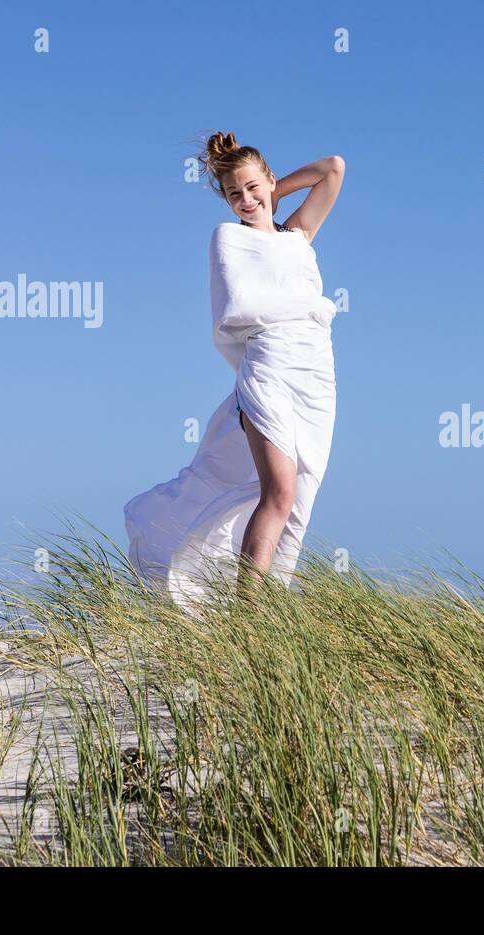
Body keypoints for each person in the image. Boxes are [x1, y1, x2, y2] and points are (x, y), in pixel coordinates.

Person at [124, 131, 345, 606]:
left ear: (269, 180)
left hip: (315, 373)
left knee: (299, 493)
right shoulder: (229, 238)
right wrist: (258, 197)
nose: (244, 201)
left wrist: (271, 191)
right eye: (233, 195)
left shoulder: (298, 236)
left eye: (251, 188)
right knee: (279, 492)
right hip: (268, 367)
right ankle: (250, 616)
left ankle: (260, 603)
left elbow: (333, 168)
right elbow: (243, 306)